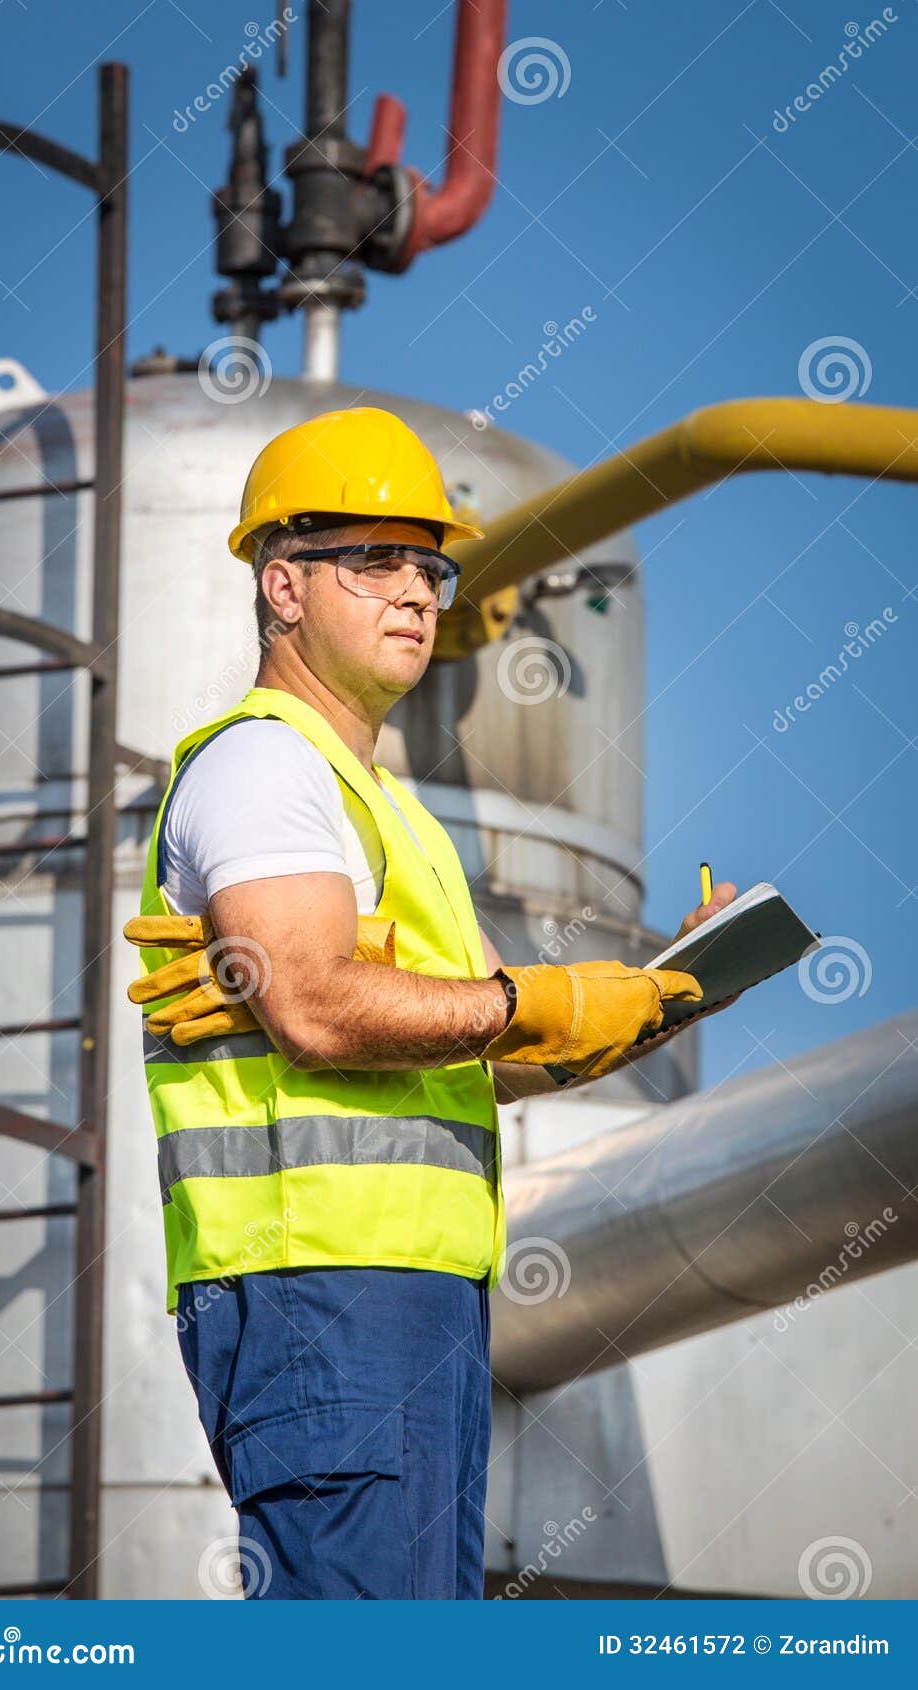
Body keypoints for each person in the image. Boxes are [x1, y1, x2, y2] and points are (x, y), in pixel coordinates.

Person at [125, 405, 733, 1600]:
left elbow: (446, 1039)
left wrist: (641, 1000)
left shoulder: (376, 802)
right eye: (372, 558)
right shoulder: (266, 763)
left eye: (430, 564)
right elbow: (313, 1005)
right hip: (319, 1285)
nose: (414, 589)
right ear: (282, 583)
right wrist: (524, 996)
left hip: (400, 1297)